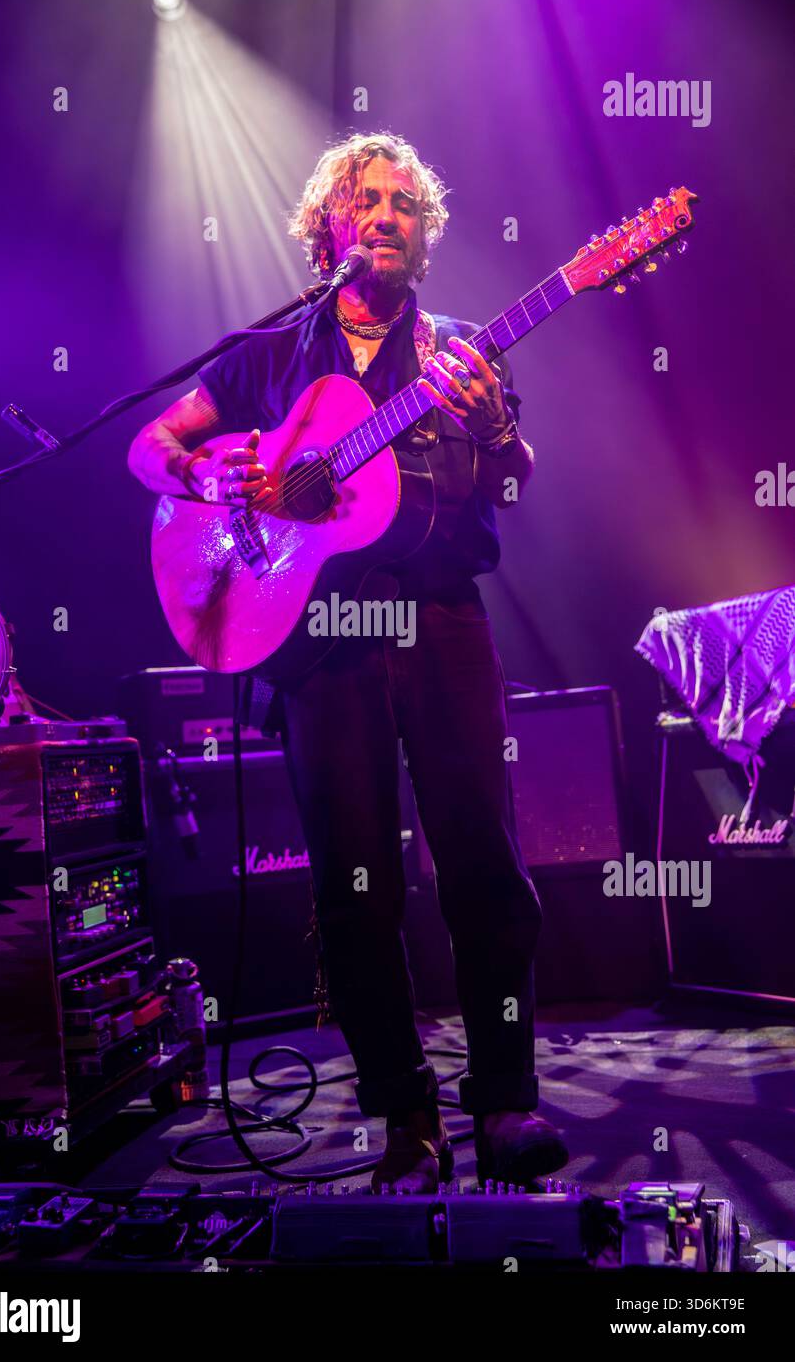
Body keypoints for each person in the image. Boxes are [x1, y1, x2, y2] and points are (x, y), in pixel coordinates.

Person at [128, 131, 569, 1192]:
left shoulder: (462, 351)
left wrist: (500, 433)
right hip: (314, 635)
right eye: (365, 198)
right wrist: (211, 473)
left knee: (480, 863)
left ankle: (504, 1101)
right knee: (352, 886)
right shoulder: (266, 354)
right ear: (326, 224)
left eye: (404, 204)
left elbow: (513, 489)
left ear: (421, 237)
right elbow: (151, 448)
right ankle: (403, 1116)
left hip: (440, 618)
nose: (384, 214)